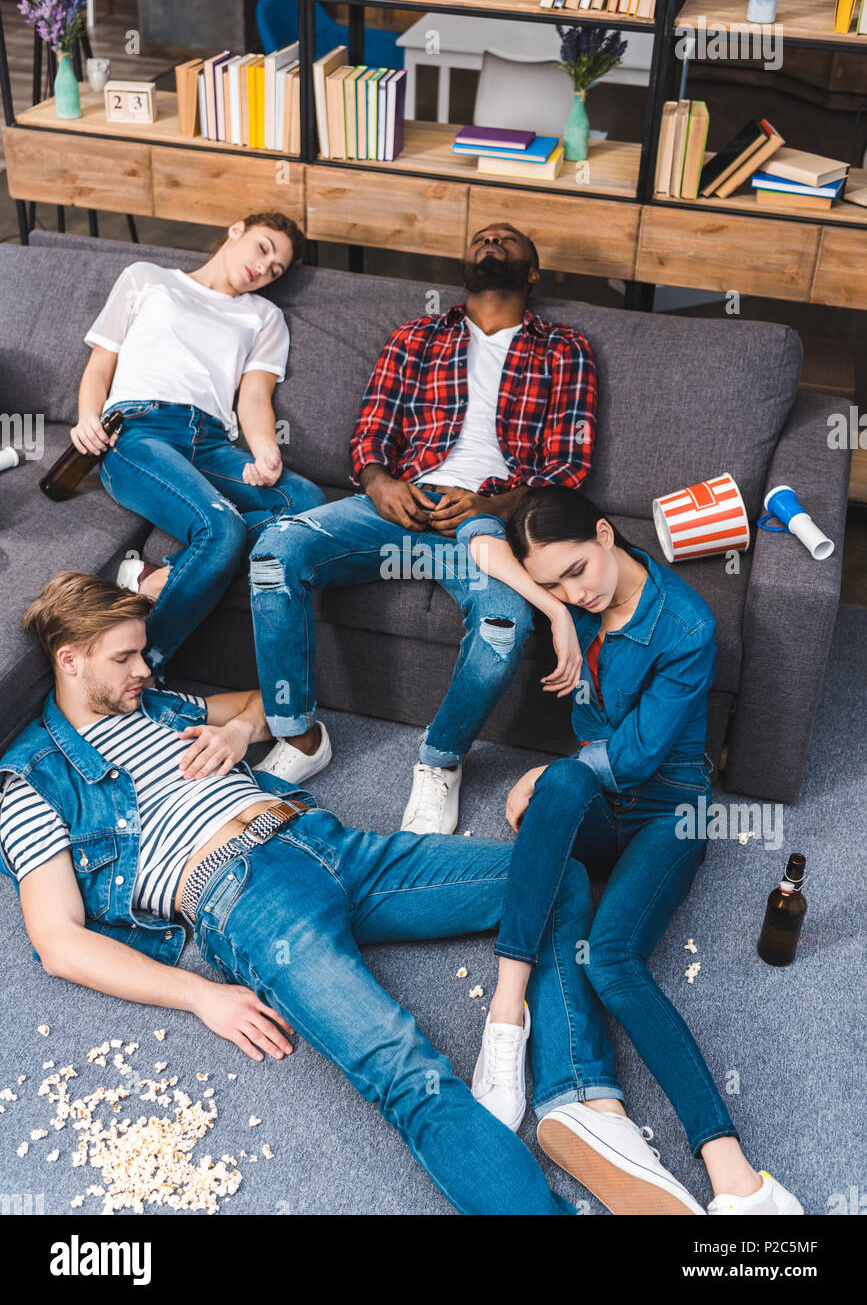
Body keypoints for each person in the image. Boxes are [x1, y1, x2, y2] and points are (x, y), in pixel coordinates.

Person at [1, 571, 651, 1217]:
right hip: (248, 899)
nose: (145, 667)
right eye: (125, 657)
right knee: (406, 1071)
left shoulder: (156, 704)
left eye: (143, 651)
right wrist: (199, 996)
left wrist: (235, 733)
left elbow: (262, 704)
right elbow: (57, 941)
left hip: (330, 843)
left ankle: (576, 1096)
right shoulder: (31, 779)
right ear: (70, 659)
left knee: (553, 877)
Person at [459, 487, 803, 1217]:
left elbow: (642, 754)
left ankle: (733, 1172)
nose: (573, 591)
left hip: (666, 807)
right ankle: (506, 1015)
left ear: (608, 534)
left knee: (606, 958)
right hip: (595, 798)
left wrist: (547, 773)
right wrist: (550, 609)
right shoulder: (570, 607)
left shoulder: (685, 624)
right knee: (558, 796)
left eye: (577, 571)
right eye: (552, 583)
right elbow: (478, 531)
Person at [248, 222, 597, 834]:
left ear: (532, 273)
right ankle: (300, 737)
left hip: (490, 517)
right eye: (480, 237)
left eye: (506, 239)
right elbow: (371, 431)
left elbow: (570, 463)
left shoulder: (564, 348)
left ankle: (441, 764)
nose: (490, 242)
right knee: (276, 549)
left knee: (500, 628)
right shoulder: (416, 336)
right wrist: (379, 483)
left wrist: (505, 503)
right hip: (401, 500)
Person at [71, 211, 324, 681]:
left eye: (276, 271)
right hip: (138, 431)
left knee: (306, 502)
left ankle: (157, 577)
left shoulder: (265, 317)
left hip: (209, 441)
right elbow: (99, 366)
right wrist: (88, 417)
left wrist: (266, 450)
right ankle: (145, 667)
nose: (264, 269)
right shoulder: (146, 279)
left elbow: (253, 396)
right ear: (236, 229)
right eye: (263, 248)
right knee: (221, 527)